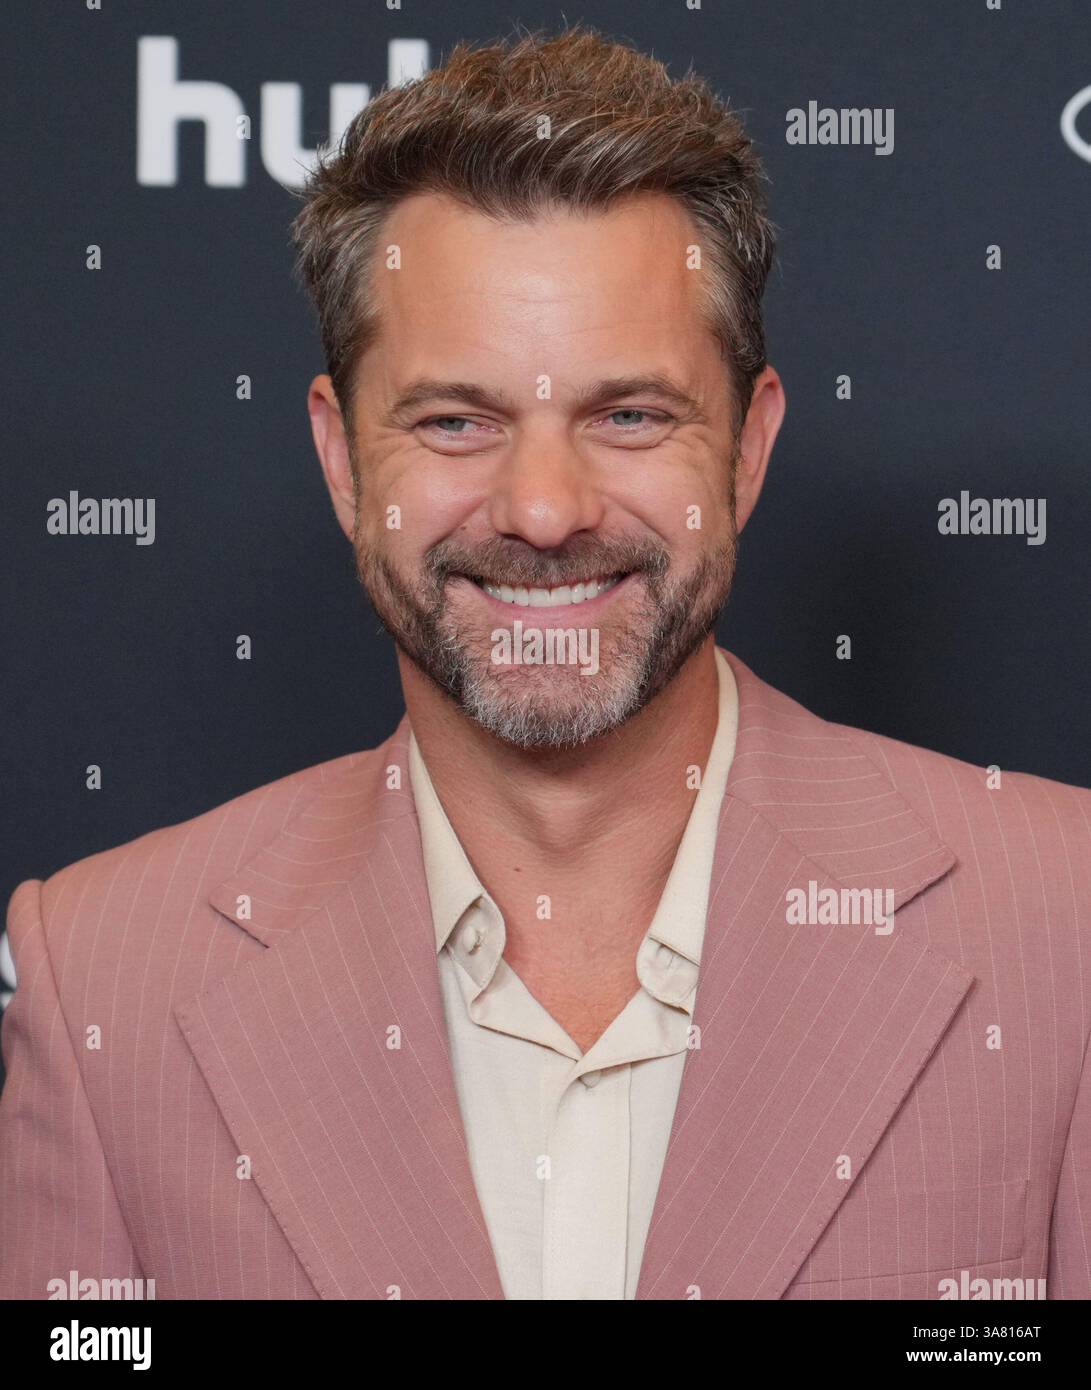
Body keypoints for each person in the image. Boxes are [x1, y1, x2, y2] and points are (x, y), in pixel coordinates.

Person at [2, 25, 1088, 1301]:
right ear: (344, 462)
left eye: (627, 415)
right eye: (455, 422)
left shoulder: (1059, 926)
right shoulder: (106, 973)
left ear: (745, 450)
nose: (542, 508)